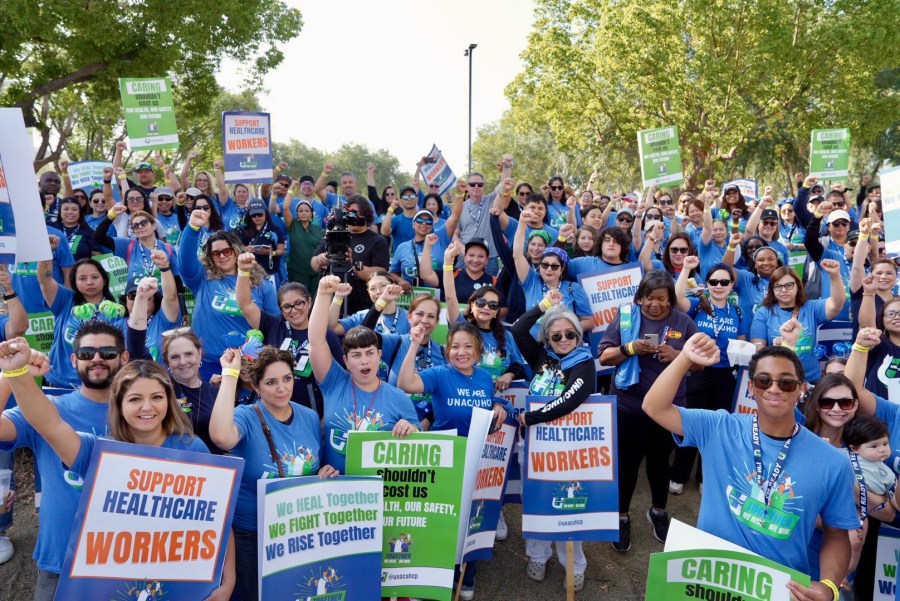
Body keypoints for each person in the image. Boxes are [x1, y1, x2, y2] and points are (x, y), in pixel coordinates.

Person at [642, 336, 859, 601]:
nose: (774, 388)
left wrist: (829, 585)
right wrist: (685, 357)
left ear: (801, 390)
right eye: (764, 380)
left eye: (787, 382)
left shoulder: (833, 462)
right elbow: (654, 406)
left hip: (780, 591)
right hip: (706, 584)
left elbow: (837, 534)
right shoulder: (719, 428)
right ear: (752, 388)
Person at [0, 321, 129, 600]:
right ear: (73, 360)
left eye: (107, 352)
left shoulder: (145, 413)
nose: (96, 359)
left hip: (129, 559)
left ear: (124, 357)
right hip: (62, 559)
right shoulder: (45, 409)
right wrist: (9, 374)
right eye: (86, 354)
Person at [397, 320, 511, 600]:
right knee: (441, 522)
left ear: (478, 350)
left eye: (468, 346)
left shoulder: (484, 377)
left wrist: (502, 405)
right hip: (443, 460)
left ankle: (466, 575)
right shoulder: (439, 373)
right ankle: (431, 578)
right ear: (447, 350)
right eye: (455, 346)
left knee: (470, 520)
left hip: (476, 460)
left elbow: (491, 401)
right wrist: (414, 344)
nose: (461, 352)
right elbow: (406, 383)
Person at [210, 346, 335, 601]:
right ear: (256, 386)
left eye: (287, 379)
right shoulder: (246, 416)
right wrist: (230, 374)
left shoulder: (310, 417)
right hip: (251, 535)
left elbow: (315, 466)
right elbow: (221, 437)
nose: (281, 388)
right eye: (271, 382)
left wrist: (325, 471)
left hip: (298, 531)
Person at [598, 270, 698, 550]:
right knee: (627, 465)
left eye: (662, 299)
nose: (655, 304)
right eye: (649, 298)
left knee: (659, 463)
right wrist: (630, 348)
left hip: (668, 410)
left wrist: (679, 356)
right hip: (629, 407)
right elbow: (604, 357)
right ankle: (621, 518)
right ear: (640, 297)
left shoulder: (683, 322)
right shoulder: (627, 317)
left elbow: (701, 363)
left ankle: (658, 512)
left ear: (671, 300)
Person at [511, 293, 596, 592]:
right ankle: (538, 554)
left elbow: (569, 400)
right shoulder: (541, 357)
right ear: (547, 337)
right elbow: (519, 329)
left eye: (570, 334)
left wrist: (531, 418)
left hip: (569, 449)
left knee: (568, 502)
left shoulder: (584, 363)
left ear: (578, 335)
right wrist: (545, 306)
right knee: (534, 499)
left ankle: (573, 562)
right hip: (535, 446)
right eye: (556, 334)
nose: (563, 339)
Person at [308, 275, 421, 473]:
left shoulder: (399, 398)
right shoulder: (334, 382)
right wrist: (323, 294)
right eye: (356, 355)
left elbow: (418, 448)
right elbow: (317, 340)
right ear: (345, 361)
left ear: (379, 356)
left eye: (369, 353)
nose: (364, 361)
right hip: (335, 489)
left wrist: (412, 430)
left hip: (381, 493)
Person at [668, 260, 748, 495]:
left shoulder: (738, 310)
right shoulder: (697, 305)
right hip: (698, 372)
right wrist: (685, 269)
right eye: (714, 282)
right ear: (708, 284)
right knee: (690, 424)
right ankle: (679, 474)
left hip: (726, 376)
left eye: (724, 282)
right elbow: (676, 298)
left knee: (717, 428)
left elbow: (742, 342)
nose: (719, 286)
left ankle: (706, 477)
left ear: (732, 285)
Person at [236, 254, 344, 417]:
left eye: (299, 303)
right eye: (287, 307)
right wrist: (243, 271)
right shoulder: (272, 326)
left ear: (308, 301)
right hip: (276, 407)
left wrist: (327, 415)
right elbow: (245, 304)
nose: (294, 310)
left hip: (315, 412)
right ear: (280, 309)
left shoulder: (324, 334)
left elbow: (340, 377)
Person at [176, 210, 279, 379]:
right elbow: (185, 263)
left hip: (248, 365)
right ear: (210, 257)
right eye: (216, 253)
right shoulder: (202, 278)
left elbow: (273, 327)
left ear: (237, 250)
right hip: (209, 363)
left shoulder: (262, 283)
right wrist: (192, 227)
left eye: (227, 251)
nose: (222, 256)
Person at [444, 242, 525, 388]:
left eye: (493, 305)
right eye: (481, 302)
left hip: (495, 400)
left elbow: (518, 366)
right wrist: (448, 261)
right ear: (472, 305)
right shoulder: (461, 327)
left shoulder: (507, 336)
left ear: (496, 312)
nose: (486, 307)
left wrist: (509, 375)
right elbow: (450, 297)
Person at [38, 257, 127, 388]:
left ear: (104, 280)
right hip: (59, 385)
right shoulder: (65, 300)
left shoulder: (115, 311)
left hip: (100, 387)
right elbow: (44, 280)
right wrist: (46, 253)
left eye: (95, 277)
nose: (89, 282)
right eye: (82, 278)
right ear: (75, 283)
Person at [750, 261, 845, 383]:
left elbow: (837, 303)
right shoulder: (764, 312)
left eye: (789, 285)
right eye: (778, 286)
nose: (783, 290)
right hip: (779, 381)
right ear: (772, 289)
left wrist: (834, 276)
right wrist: (776, 347)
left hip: (810, 380)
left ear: (798, 286)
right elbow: (757, 349)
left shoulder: (811, 307)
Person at [513, 209, 592, 336]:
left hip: (564, 347)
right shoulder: (531, 281)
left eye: (554, 266)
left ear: (562, 269)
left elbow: (589, 321)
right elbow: (517, 255)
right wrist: (522, 222)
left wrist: (562, 333)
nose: (549, 269)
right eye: (544, 265)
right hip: (533, 349)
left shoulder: (573, 288)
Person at [310, 196, 389, 315]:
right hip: (328, 297)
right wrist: (320, 259)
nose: (352, 217)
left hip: (358, 302)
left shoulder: (377, 241)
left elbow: (380, 273)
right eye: (348, 213)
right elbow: (313, 264)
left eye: (355, 214)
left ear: (365, 215)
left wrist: (351, 264)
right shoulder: (334, 235)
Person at [93, 205, 179, 287]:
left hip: (164, 299)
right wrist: (111, 216)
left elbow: (176, 277)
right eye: (135, 226)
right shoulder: (127, 246)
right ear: (133, 231)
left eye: (144, 223)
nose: (140, 226)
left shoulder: (168, 248)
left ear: (154, 225)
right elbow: (98, 237)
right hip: (138, 298)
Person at [329, 271, 409, 336]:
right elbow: (332, 328)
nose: (378, 291)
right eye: (373, 289)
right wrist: (338, 298)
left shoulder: (409, 317)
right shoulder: (361, 316)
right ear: (368, 292)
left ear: (393, 286)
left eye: (383, 286)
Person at [282, 185, 325, 292]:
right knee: (300, 298)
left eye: (307, 211)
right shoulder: (292, 225)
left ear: (311, 213)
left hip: (317, 271)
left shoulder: (319, 229)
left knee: (317, 300)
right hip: (297, 271)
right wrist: (291, 189)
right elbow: (285, 207)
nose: (304, 213)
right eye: (300, 211)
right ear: (297, 213)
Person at [237, 199, 284, 285]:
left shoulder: (274, 229)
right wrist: (246, 249)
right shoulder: (244, 230)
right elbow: (238, 248)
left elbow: (281, 250)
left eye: (260, 214)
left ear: (265, 213)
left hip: (271, 272)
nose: (257, 217)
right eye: (254, 215)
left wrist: (271, 253)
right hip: (251, 272)